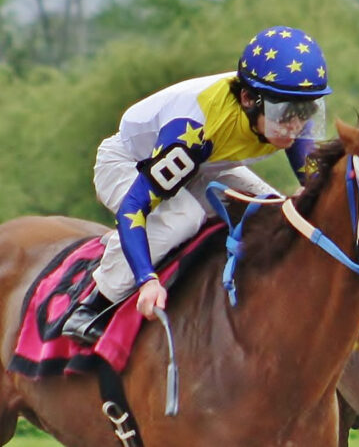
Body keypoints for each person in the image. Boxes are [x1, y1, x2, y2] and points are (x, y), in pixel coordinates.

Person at [62, 25, 331, 344]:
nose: (295, 126)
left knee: (276, 211)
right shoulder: (194, 129)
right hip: (128, 163)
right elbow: (135, 208)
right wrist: (147, 281)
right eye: (285, 112)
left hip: (205, 163)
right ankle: (90, 308)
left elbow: (316, 190)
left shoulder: (285, 111)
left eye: (305, 110)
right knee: (183, 216)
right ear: (248, 99)